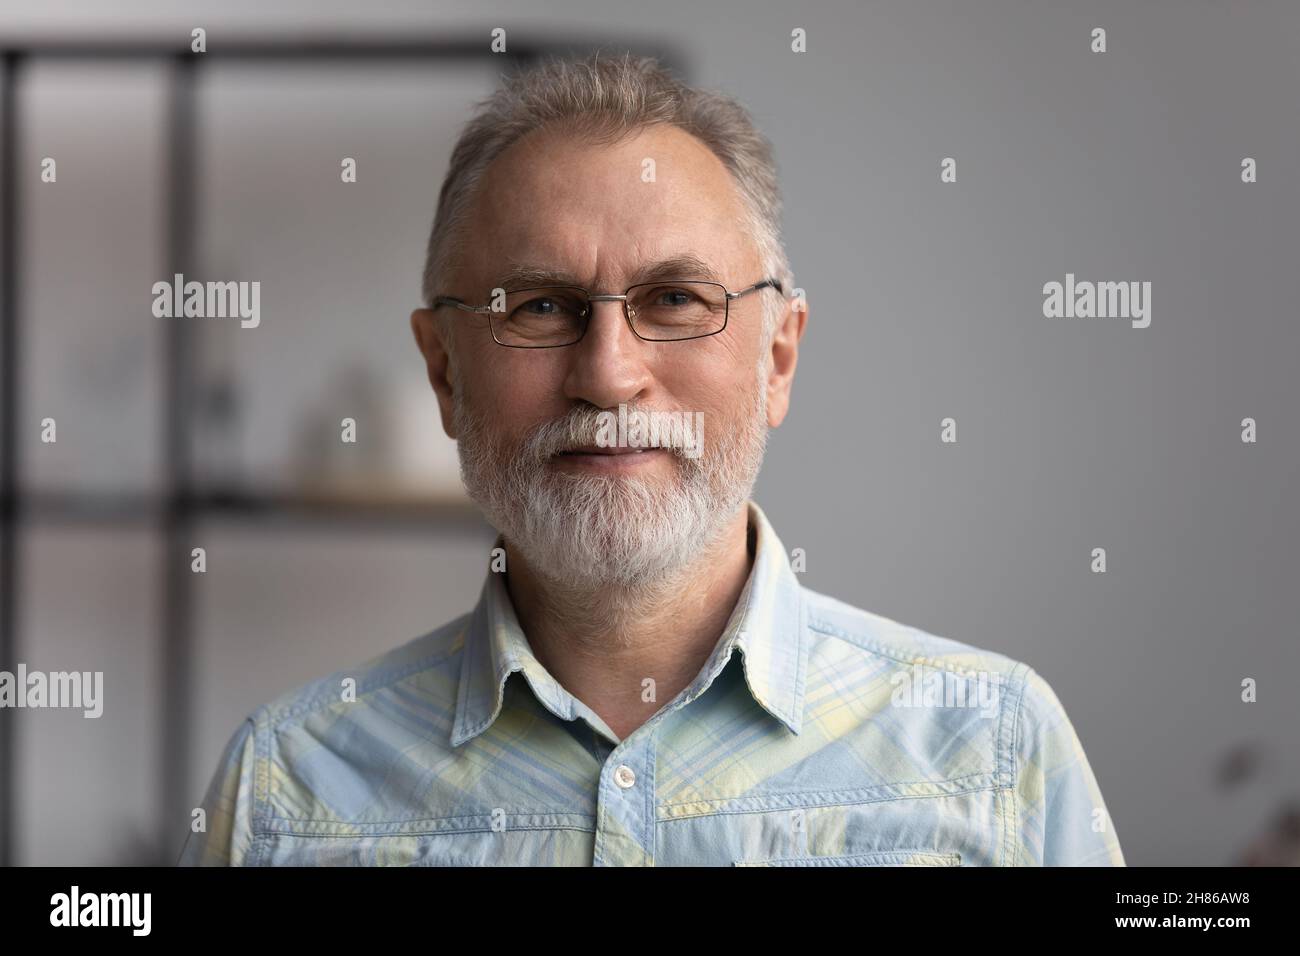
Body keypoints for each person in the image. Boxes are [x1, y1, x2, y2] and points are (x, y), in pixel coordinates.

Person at [179, 51, 1124, 867]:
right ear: (444, 373)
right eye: (540, 306)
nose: (608, 375)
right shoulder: (289, 790)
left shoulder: (991, 747)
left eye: (675, 299)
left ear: (777, 359)